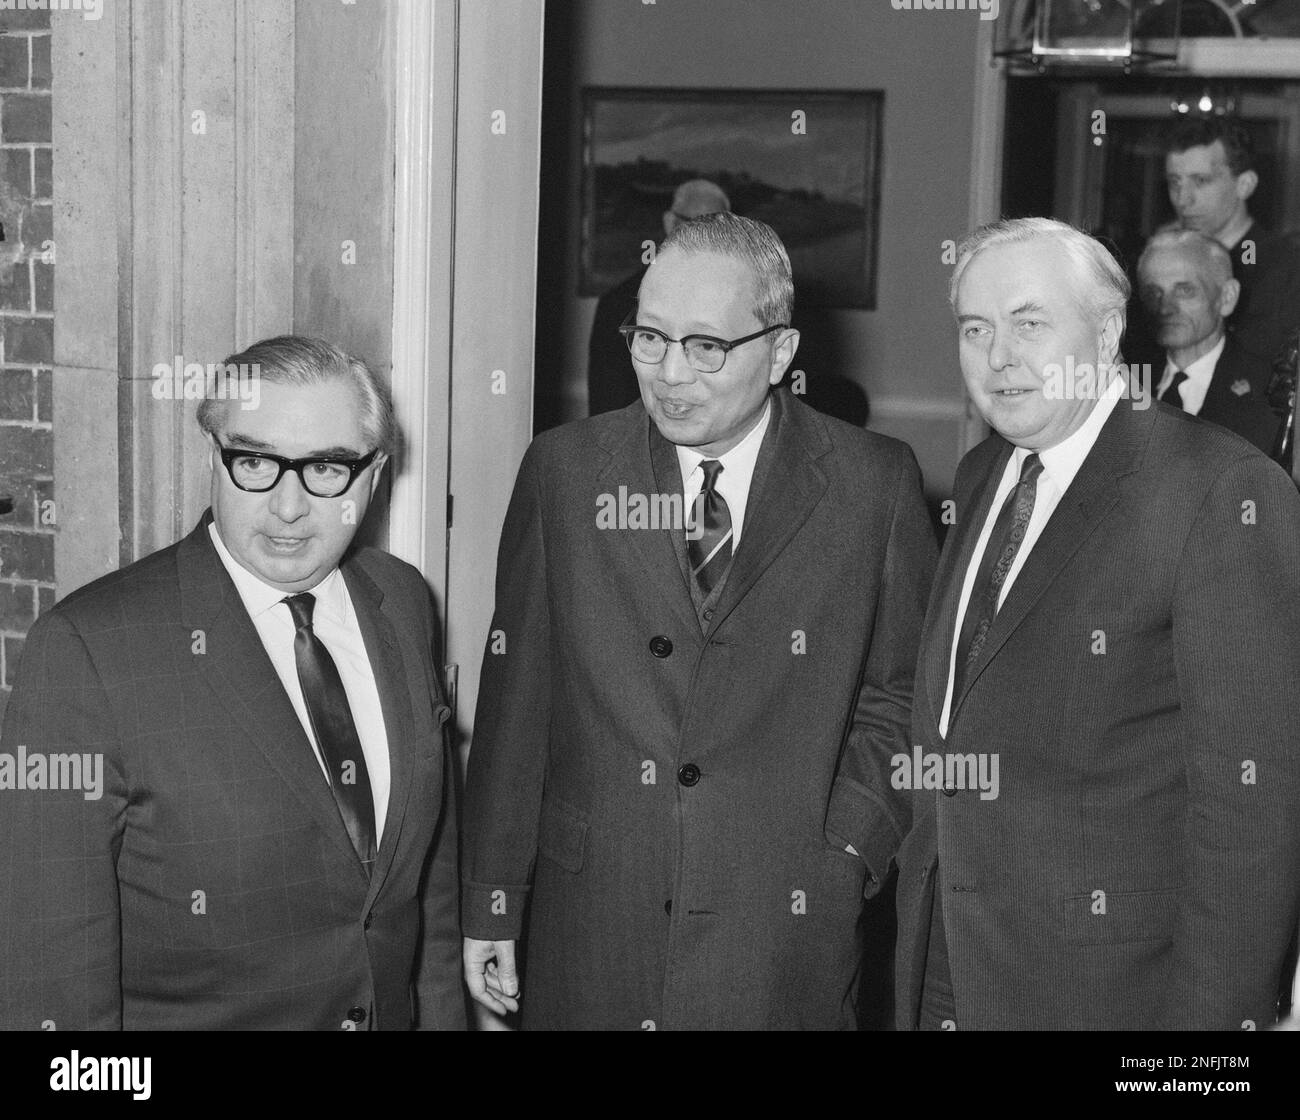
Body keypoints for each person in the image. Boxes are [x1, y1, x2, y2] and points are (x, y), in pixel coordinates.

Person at [464, 213, 937, 1030]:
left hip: (784, 927)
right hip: (594, 921)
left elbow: (905, 697)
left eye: (706, 346)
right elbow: (518, 705)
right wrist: (492, 898)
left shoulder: (874, 484)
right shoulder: (565, 472)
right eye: (649, 338)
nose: (670, 374)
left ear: (780, 353)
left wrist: (849, 848)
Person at [895, 218, 1300, 1031]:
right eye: (975, 329)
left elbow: (1252, 810)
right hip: (944, 957)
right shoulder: (981, 474)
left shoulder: (1219, 490)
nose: (998, 356)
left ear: (1108, 333)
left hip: (1107, 991)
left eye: (1029, 323)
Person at [0, 336, 465, 1030]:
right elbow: (50, 980)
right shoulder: (87, 652)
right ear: (213, 458)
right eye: (254, 462)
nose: (287, 506)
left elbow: (427, 891)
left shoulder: (400, 600)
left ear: (374, 475)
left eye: (327, 469)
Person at [586, 179, 730, 416]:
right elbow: (608, 410)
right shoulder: (620, 304)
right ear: (670, 223)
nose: (708, 240)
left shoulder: (745, 301)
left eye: (719, 229)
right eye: (696, 226)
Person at [1163, 116, 1300, 365]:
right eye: (1175, 182)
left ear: (1245, 185)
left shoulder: (1286, 271)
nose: (1183, 200)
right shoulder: (1165, 265)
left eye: (1200, 181)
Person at [1137, 228, 1280, 454]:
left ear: (1227, 297)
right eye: (1153, 293)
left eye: (1185, 291)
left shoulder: (1269, 390)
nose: (1165, 308)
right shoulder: (1125, 382)